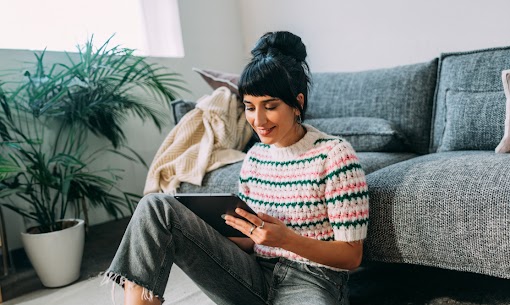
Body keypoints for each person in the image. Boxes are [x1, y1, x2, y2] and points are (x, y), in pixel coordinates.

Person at [104, 31, 369, 305]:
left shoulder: (335, 155)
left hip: (313, 280)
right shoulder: (254, 159)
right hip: (253, 274)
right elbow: (249, 244)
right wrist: (213, 229)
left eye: (270, 106)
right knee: (155, 207)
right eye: (250, 107)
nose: (258, 119)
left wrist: (286, 239)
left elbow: (351, 256)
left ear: (297, 102)